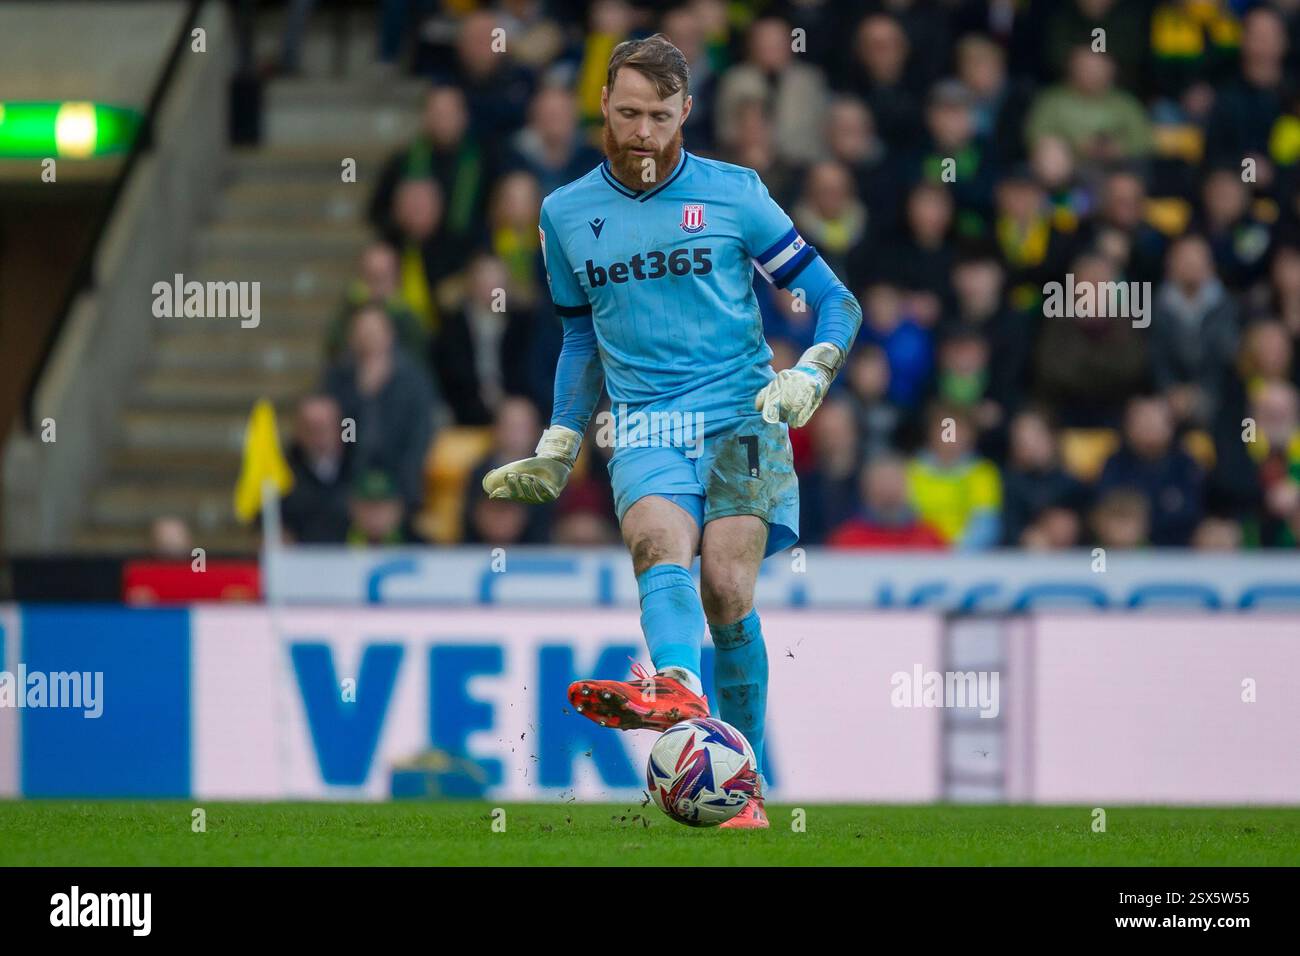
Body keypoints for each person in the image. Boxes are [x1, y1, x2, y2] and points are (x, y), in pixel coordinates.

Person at [480, 35, 862, 829]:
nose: (645, 131)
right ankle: (680, 693)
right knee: (659, 548)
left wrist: (813, 371)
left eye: (661, 113)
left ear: (687, 109)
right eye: (629, 113)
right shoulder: (565, 214)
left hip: (742, 417)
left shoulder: (736, 194)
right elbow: (580, 340)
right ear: (604, 109)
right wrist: (560, 442)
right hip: (646, 421)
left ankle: (740, 780)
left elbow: (837, 301)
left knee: (725, 587)